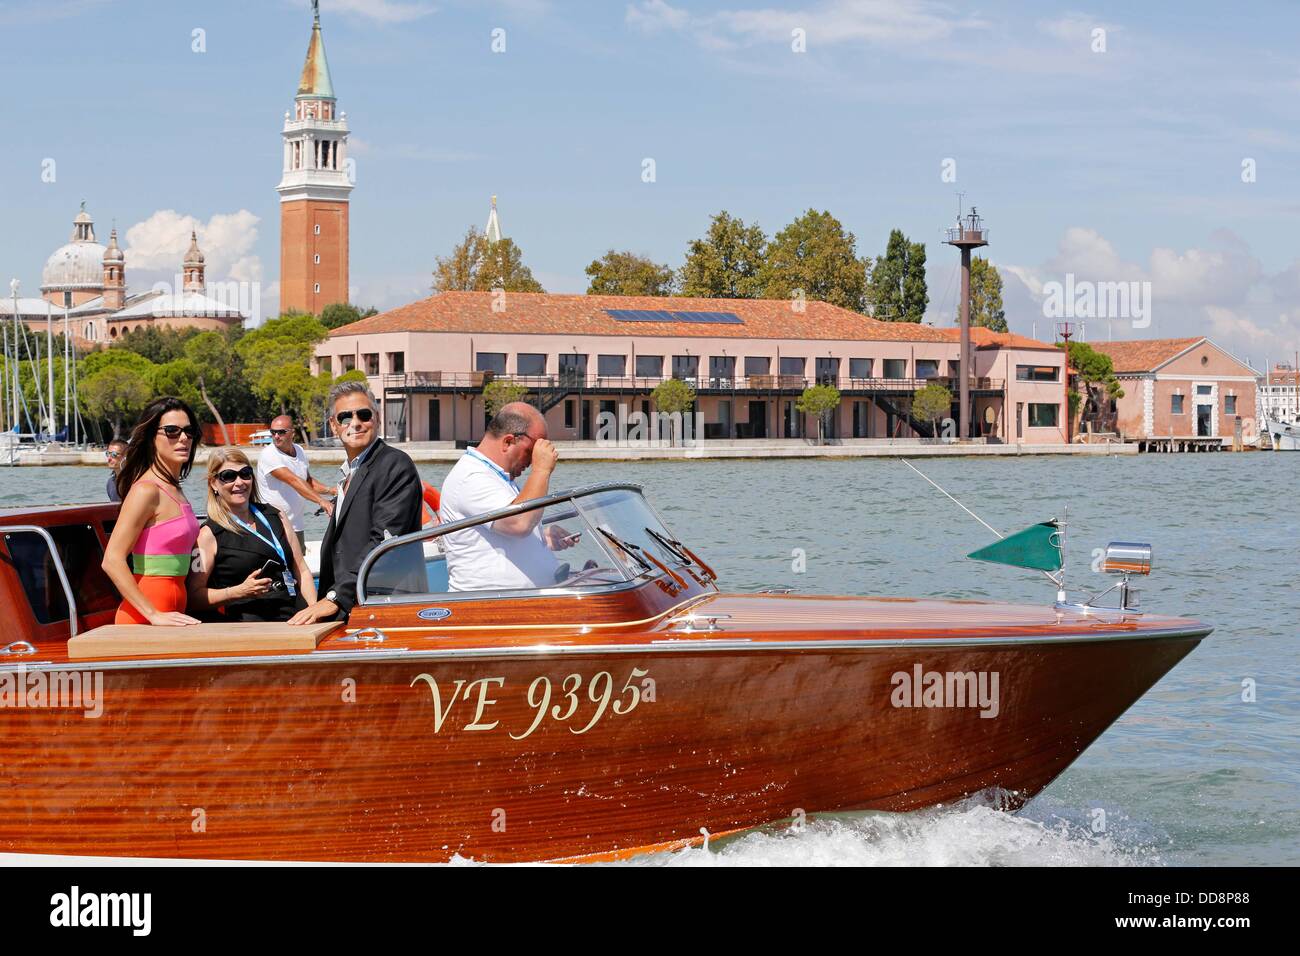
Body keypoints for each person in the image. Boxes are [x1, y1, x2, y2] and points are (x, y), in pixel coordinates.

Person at [288, 381, 423, 624]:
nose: (356, 423)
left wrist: (334, 598)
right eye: (345, 417)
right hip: (357, 608)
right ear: (333, 425)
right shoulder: (350, 473)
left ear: (377, 418)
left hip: (386, 609)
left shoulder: (395, 465)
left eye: (364, 414)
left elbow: (385, 545)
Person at [438, 402, 578, 592]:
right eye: (531, 452)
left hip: (522, 604)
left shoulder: (497, 476)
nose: (531, 461)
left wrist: (542, 538)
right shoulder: (471, 477)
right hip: (492, 608)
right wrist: (542, 469)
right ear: (508, 442)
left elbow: (500, 529)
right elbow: (519, 523)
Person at [101, 397, 203, 626]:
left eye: (189, 430)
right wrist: (153, 614)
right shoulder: (146, 491)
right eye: (172, 431)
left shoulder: (174, 489)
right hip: (142, 620)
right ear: (151, 438)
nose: (184, 438)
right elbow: (112, 560)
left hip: (173, 614)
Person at [188, 448, 316, 622]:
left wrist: (314, 612)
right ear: (213, 483)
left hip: (295, 614)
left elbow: (302, 570)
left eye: (245, 474)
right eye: (228, 476)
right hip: (249, 623)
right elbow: (194, 597)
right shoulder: (208, 535)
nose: (239, 482)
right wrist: (239, 591)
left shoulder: (276, 515)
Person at [255, 414, 334, 551]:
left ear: (293, 433)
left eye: (281, 432)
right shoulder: (269, 454)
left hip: (296, 524)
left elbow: (307, 481)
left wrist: (332, 490)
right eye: (273, 432)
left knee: (299, 564)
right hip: (274, 524)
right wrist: (322, 502)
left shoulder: (299, 451)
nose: (276, 436)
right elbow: (294, 481)